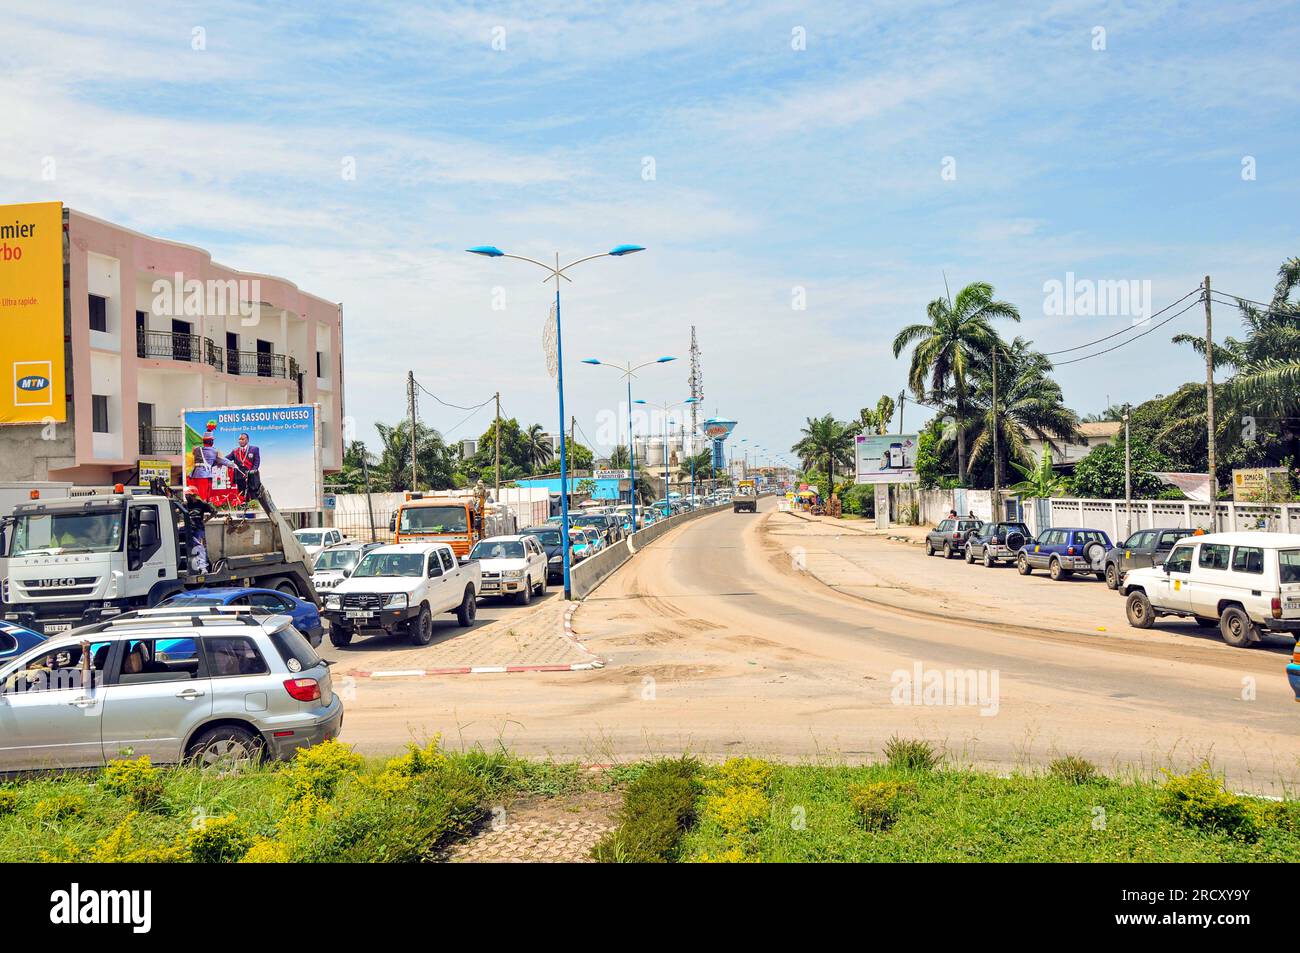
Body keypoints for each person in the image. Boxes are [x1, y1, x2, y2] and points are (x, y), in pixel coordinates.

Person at [182, 485, 217, 573]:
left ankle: (203, 568)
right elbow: (177, 511)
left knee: (200, 547)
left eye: (188, 495)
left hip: (199, 529)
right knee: (189, 548)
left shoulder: (202, 504)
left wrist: (205, 521)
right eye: (186, 495)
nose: (186, 496)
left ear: (193, 495)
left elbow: (214, 512)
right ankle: (191, 567)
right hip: (188, 529)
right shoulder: (184, 504)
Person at [227, 432, 262, 502]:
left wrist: (251, 473)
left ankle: (253, 509)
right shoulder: (235, 451)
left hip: (251, 477)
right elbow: (226, 459)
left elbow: (256, 463)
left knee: (253, 497)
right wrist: (217, 457)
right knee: (242, 497)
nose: (240, 441)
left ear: (247, 440)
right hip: (239, 478)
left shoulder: (254, 449)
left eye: (242, 439)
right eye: (239, 439)